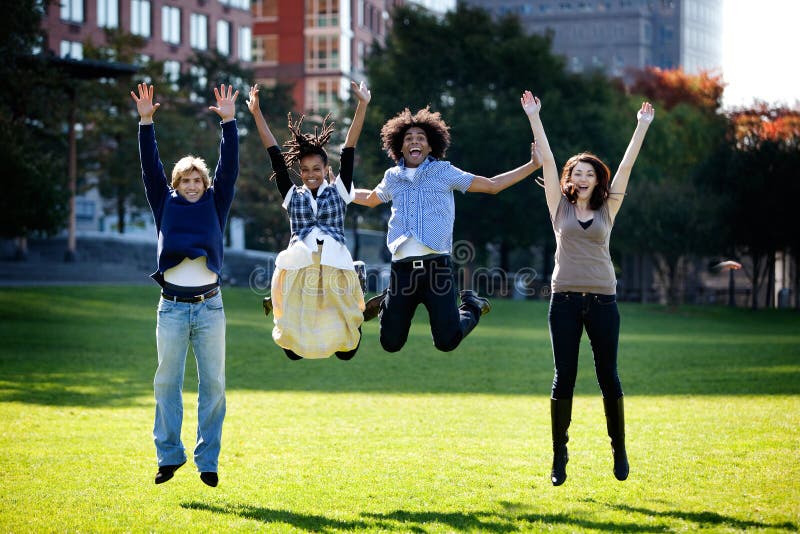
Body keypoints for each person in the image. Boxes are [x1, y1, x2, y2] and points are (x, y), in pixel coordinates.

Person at [520, 89, 654, 486]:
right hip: (562, 300)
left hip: (602, 301)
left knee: (608, 376)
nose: (580, 177)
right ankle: (559, 456)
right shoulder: (557, 206)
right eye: (575, 172)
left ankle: (619, 449)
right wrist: (534, 115)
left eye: (588, 173)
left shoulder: (608, 208)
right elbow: (544, 157)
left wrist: (641, 126)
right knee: (564, 376)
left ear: (598, 180)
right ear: (569, 178)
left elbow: (628, 165)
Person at [352, 105, 542, 353]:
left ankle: (472, 305)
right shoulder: (392, 177)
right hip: (402, 270)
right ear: (400, 146)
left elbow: (492, 186)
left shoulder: (444, 172)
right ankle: (390, 300)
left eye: (421, 138)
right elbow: (370, 199)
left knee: (447, 341)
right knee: (390, 343)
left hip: (436, 270)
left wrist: (532, 165)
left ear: (431, 146)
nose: (415, 142)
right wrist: (341, 191)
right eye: (408, 138)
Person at [131, 83, 240, 488]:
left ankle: (207, 460)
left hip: (210, 308)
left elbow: (229, 167)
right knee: (167, 383)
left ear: (205, 184)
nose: (192, 186)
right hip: (172, 308)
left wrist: (229, 122)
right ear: (176, 185)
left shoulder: (217, 201)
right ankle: (168, 456)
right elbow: (149, 168)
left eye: (197, 180)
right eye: (185, 181)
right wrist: (146, 123)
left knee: (213, 385)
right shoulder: (165, 202)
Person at [248, 81, 371, 360]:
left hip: (335, 266)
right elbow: (275, 157)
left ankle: (357, 280)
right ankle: (283, 300)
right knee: (293, 351)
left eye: (317, 168)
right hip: (300, 267)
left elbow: (349, 147)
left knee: (346, 350)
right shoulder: (293, 196)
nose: (311, 174)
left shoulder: (340, 191)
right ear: (300, 172)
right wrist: (256, 112)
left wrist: (362, 105)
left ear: (327, 168)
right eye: (305, 170)